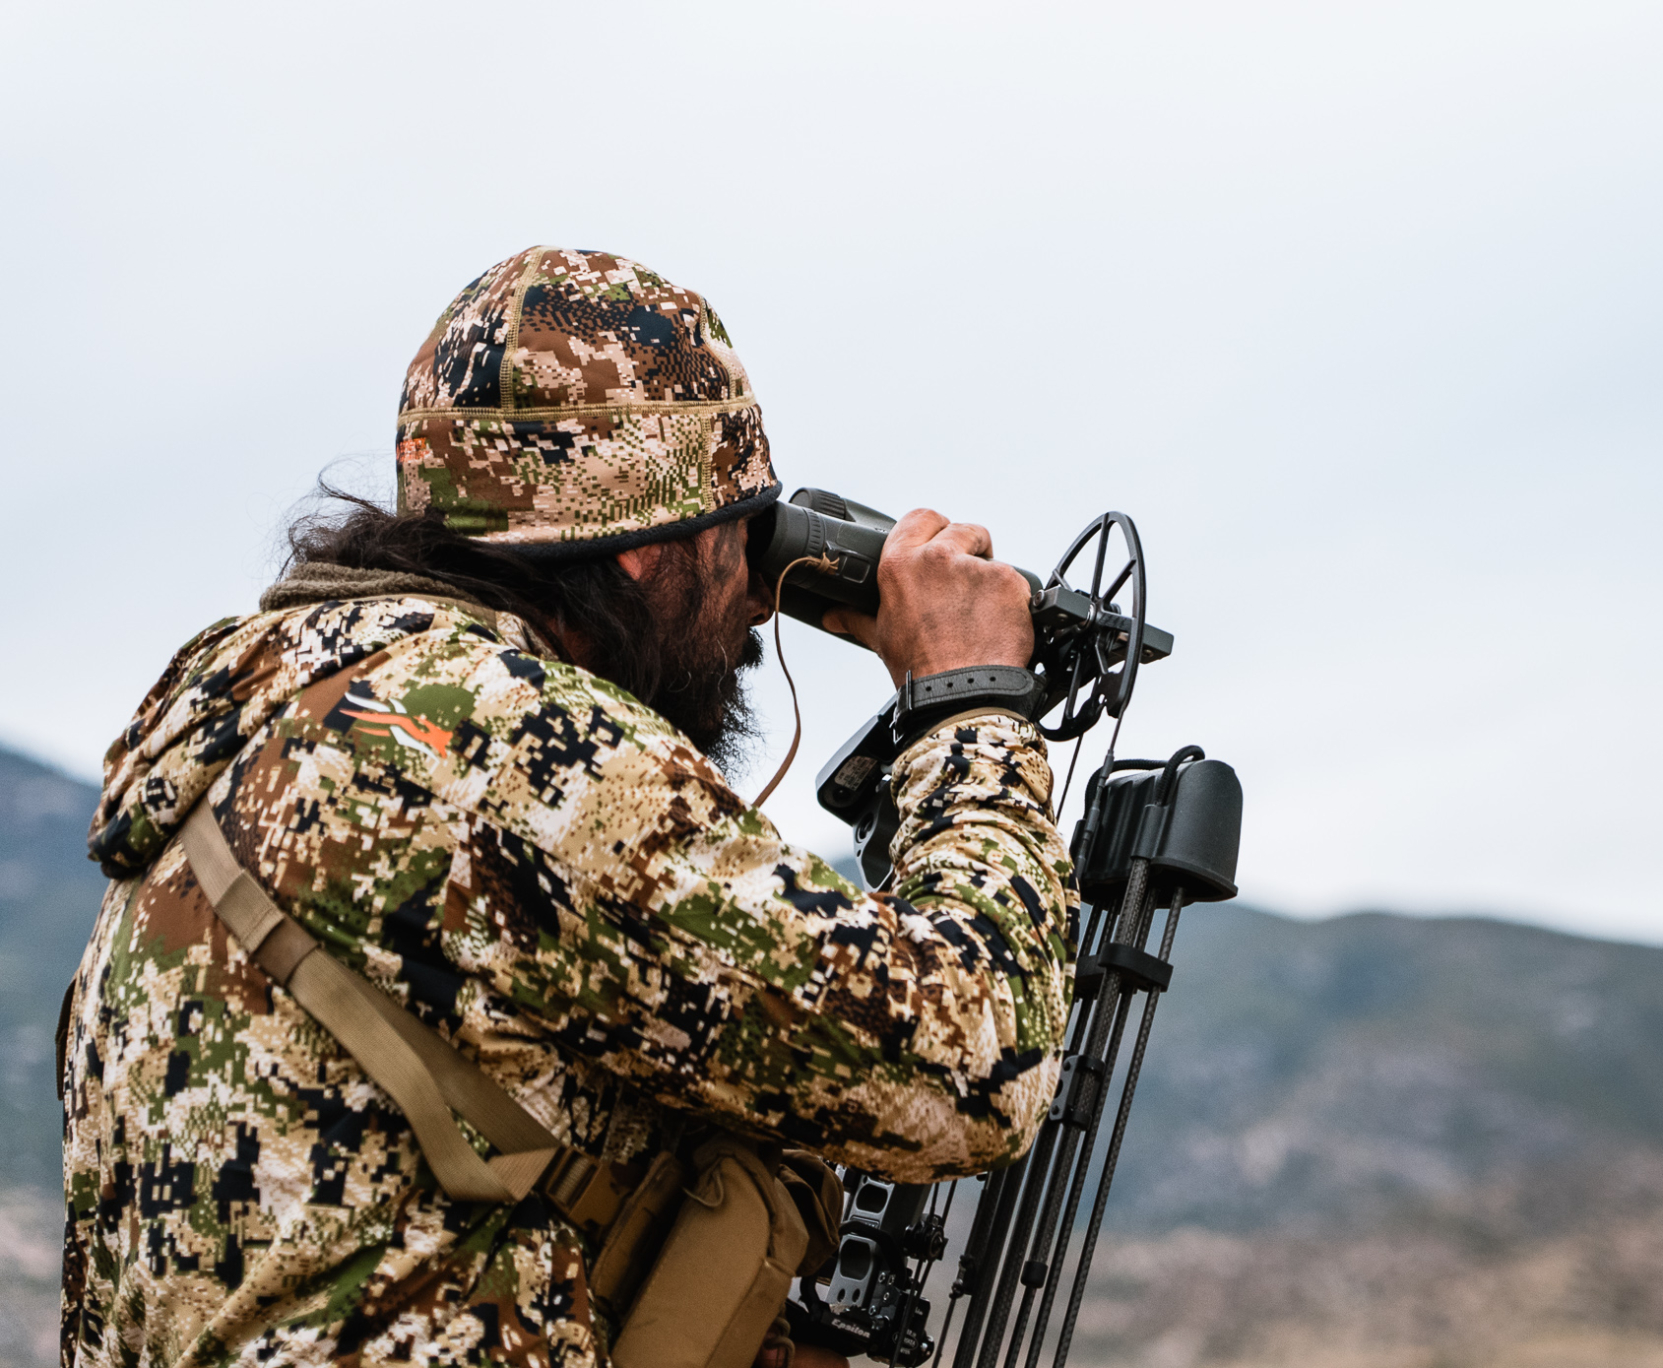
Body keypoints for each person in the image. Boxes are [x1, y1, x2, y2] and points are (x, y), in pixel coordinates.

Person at [58, 247, 1074, 1368]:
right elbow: (972, 1064)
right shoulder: (511, 743)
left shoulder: (258, 725)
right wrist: (967, 699)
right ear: (643, 554)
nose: (753, 595)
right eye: (739, 533)